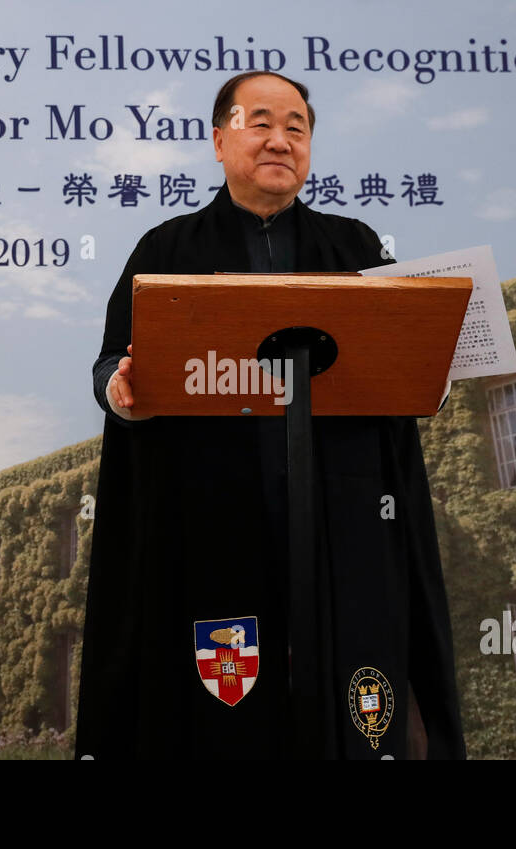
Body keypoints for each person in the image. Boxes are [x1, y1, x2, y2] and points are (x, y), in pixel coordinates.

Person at [76, 70, 465, 759]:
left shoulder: (356, 247)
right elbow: (114, 364)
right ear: (220, 139)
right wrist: (122, 389)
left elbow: (401, 370)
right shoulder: (167, 251)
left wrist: (430, 369)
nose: (280, 140)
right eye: (260, 123)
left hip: (343, 530)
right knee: (221, 725)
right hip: (214, 528)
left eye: (297, 127)